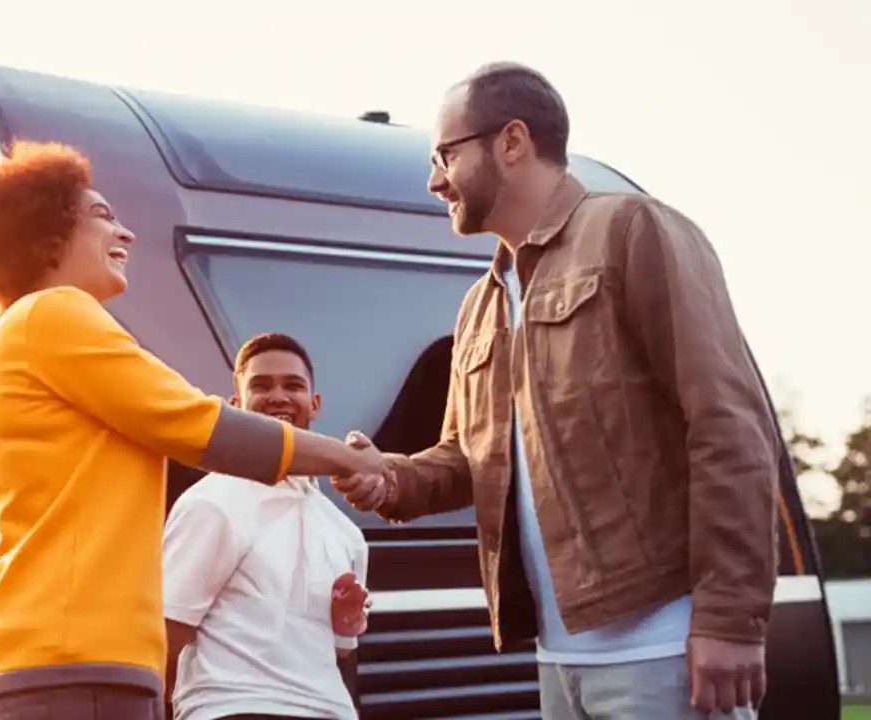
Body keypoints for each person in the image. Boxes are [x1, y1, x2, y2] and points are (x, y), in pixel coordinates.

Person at [333, 62, 778, 720]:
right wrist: (388, 479)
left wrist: (731, 618)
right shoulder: (481, 305)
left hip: (664, 650)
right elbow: (469, 458)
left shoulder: (632, 231)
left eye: (444, 156)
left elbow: (728, 426)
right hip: (557, 661)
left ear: (512, 142)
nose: (433, 181)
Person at [0, 141, 386, 720]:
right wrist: (349, 459)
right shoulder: (53, 314)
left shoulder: (35, 332)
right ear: (46, 234)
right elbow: (201, 425)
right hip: (74, 664)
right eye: (103, 216)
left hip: (63, 663)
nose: (125, 235)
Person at [162, 333, 371, 720]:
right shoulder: (213, 502)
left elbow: (342, 652)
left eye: (293, 385)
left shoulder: (345, 532)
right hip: (235, 708)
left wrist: (346, 620)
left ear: (315, 403)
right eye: (261, 385)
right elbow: (166, 637)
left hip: (330, 710)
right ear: (236, 405)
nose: (278, 396)